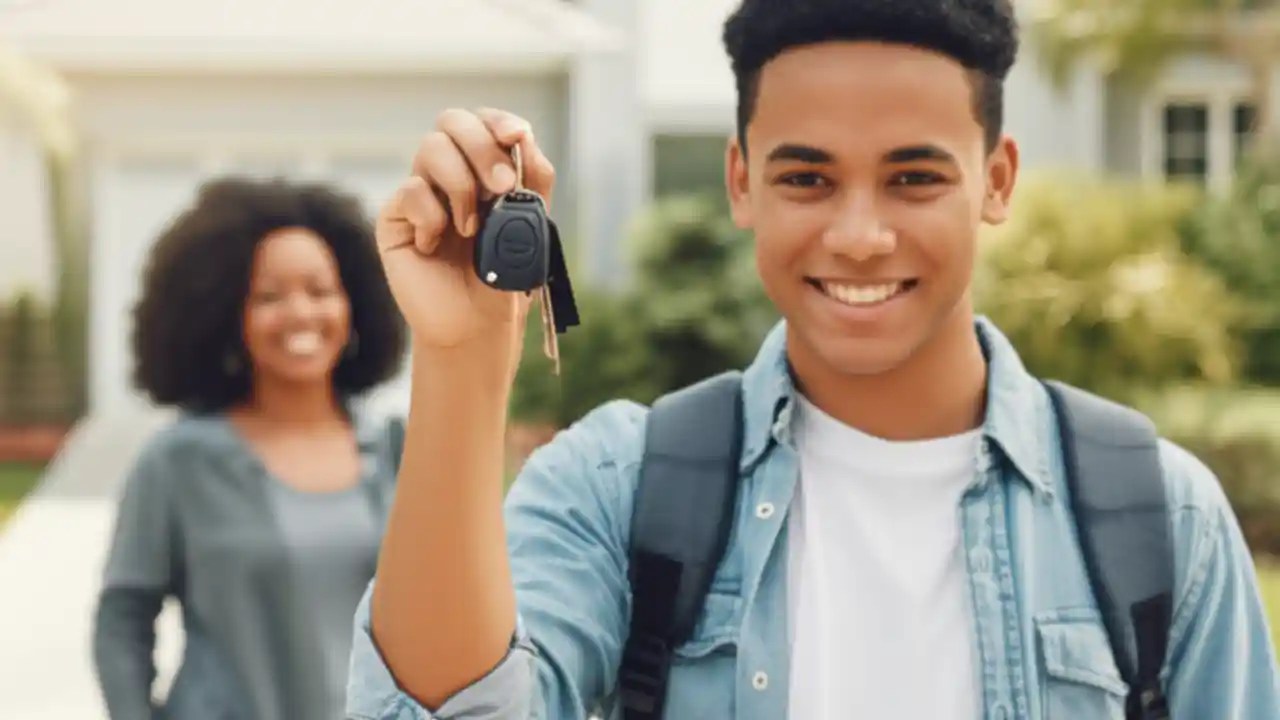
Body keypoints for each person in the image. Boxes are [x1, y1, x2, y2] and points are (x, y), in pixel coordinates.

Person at [346, 1, 1280, 718]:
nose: (861, 234)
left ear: (996, 181)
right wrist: (461, 360)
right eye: (808, 178)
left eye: (914, 177)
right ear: (741, 182)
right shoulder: (617, 488)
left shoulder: (1159, 513)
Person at [92, 177, 407, 720]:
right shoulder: (179, 460)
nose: (300, 313)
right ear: (225, 315)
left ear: (354, 303)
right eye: (268, 296)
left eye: (320, 290)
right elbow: (123, 617)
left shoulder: (399, 449)